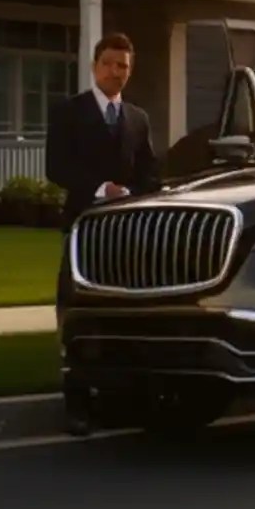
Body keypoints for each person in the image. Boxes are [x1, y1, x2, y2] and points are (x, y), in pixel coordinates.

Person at [46, 32, 159, 435]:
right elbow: (56, 168)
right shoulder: (68, 112)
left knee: (128, 315)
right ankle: (77, 403)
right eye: (109, 63)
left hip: (128, 235)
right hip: (83, 229)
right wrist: (100, 189)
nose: (116, 72)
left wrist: (139, 194)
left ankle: (123, 397)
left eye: (124, 66)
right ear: (95, 67)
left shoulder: (138, 119)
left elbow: (149, 172)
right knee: (80, 314)